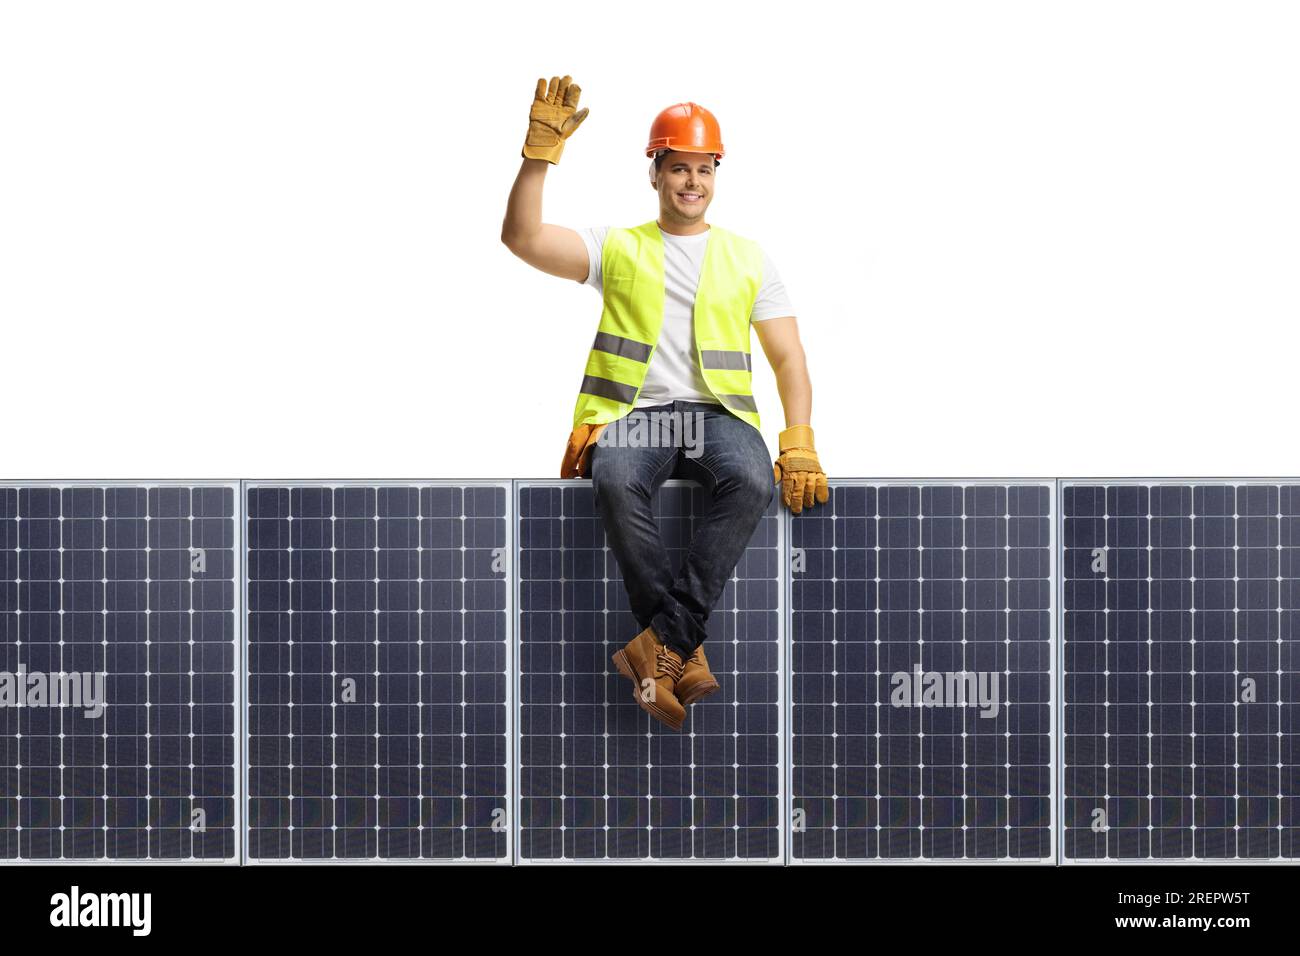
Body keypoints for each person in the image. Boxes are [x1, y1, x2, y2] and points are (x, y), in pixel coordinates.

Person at [501, 74, 828, 732]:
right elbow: (523, 237)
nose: (691, 182)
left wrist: (799, 437)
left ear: (716, 174)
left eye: (702, 170)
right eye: (677, 168)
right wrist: (538, 158)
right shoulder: (618, 247)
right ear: (655, 174)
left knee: (750, 481)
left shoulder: (748, 258)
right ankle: (679, 650)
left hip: (719, 418)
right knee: (616, 477)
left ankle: (662, 645)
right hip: (635, 418)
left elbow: (788, 356)